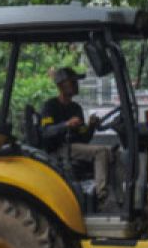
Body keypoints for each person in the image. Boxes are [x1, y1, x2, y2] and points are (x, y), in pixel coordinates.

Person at [40, 67, 113, 205]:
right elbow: (46, 132)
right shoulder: (50, 106)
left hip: (74, 148)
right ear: (61, 85)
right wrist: (66, 124)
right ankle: (101, 197)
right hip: (59, 148)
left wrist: (91, 126)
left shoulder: (76, 108)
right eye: (72, 82)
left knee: (112, 152)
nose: (76, 85)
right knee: (101, 151)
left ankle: (119, 197)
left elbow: (83, 138)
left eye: (76, 82)